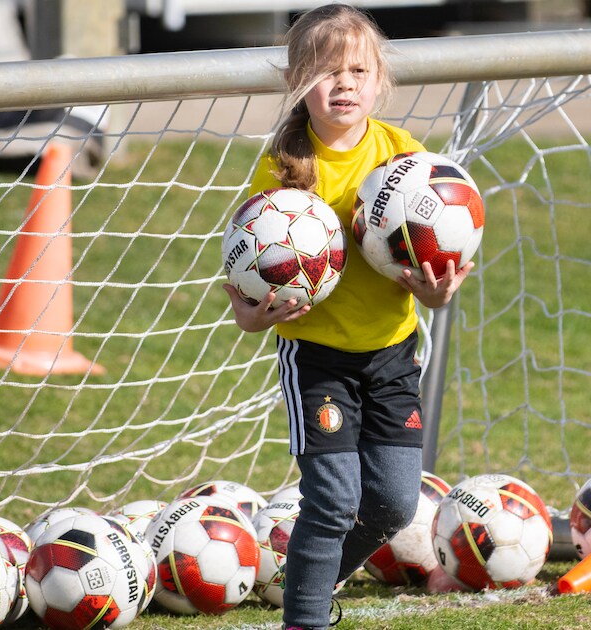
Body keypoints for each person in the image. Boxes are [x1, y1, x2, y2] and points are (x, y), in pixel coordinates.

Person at [221, 4, 473, 629]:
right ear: (296, 82)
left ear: (379, 80)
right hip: (319, 358)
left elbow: (430, 274)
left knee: (390, 503)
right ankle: (306, 617)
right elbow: (248, 284)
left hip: (391, 355)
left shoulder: (404, 156)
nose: (344, 83)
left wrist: (438, 296)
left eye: (358, 70)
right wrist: (254, 319)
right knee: (332, 499)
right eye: (325, 70)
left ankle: (307, 576)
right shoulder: (281, 171)